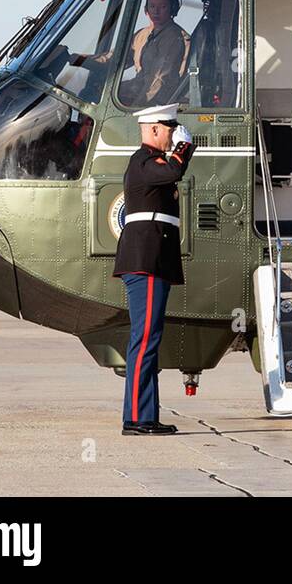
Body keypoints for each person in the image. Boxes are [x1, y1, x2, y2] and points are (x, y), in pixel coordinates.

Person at [113, 103, 195, 436]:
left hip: (154, 260)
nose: (175, 135)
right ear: (156, 129)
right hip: (145, 261)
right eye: (171, 130)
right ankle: (135, 418)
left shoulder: (152, 163)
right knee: (144, 339)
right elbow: (174, 171)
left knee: (150, 340)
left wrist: (180, 151)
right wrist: (185, 149)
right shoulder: (144, 162)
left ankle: (146, 414)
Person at [118, 0, 191, 107]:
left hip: (160, 101)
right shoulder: (141, 35)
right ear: (146, 9)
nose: (156, 11)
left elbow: (158, 80)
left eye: (162, 7)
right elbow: (116, 58)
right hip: (138, 89)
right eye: (152, 6)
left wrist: (134, 110)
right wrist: (79, 59)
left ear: (172, 9)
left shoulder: (174, 38)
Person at [188, 0, 239, 108]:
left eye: (212, 1)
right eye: (207, 2)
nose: (207, 6)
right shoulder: (204, 30)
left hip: (218, 92)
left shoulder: (232, 33)